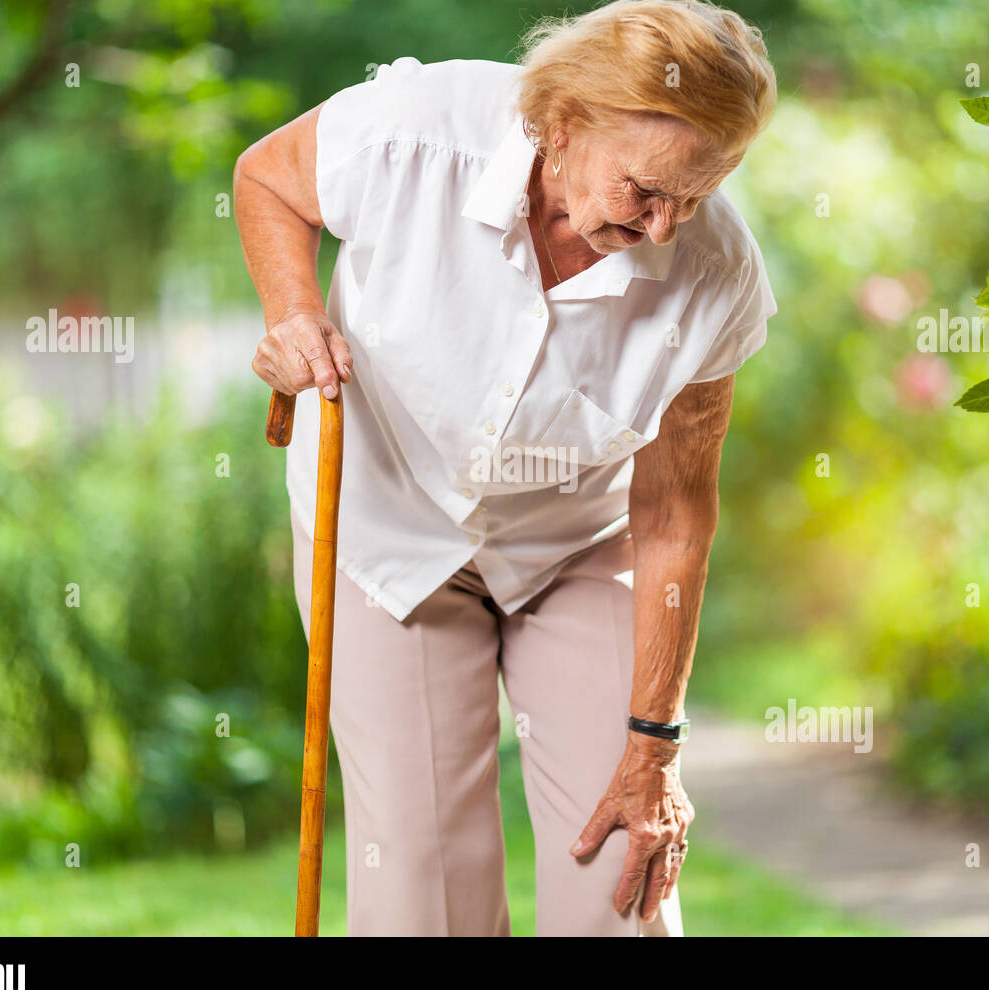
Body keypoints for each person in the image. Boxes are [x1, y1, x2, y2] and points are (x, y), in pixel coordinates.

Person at [234, 0, 778, 936]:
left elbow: (676, 514)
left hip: (579, 546)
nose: (662, 228)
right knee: (418, 878)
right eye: (644, 190)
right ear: (561, 125)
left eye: (693, 196)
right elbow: (267, 179)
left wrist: (656, 744)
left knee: (621, 861)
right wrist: (291, 312)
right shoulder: (412, 135)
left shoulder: (716, 274)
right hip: (385, 524)